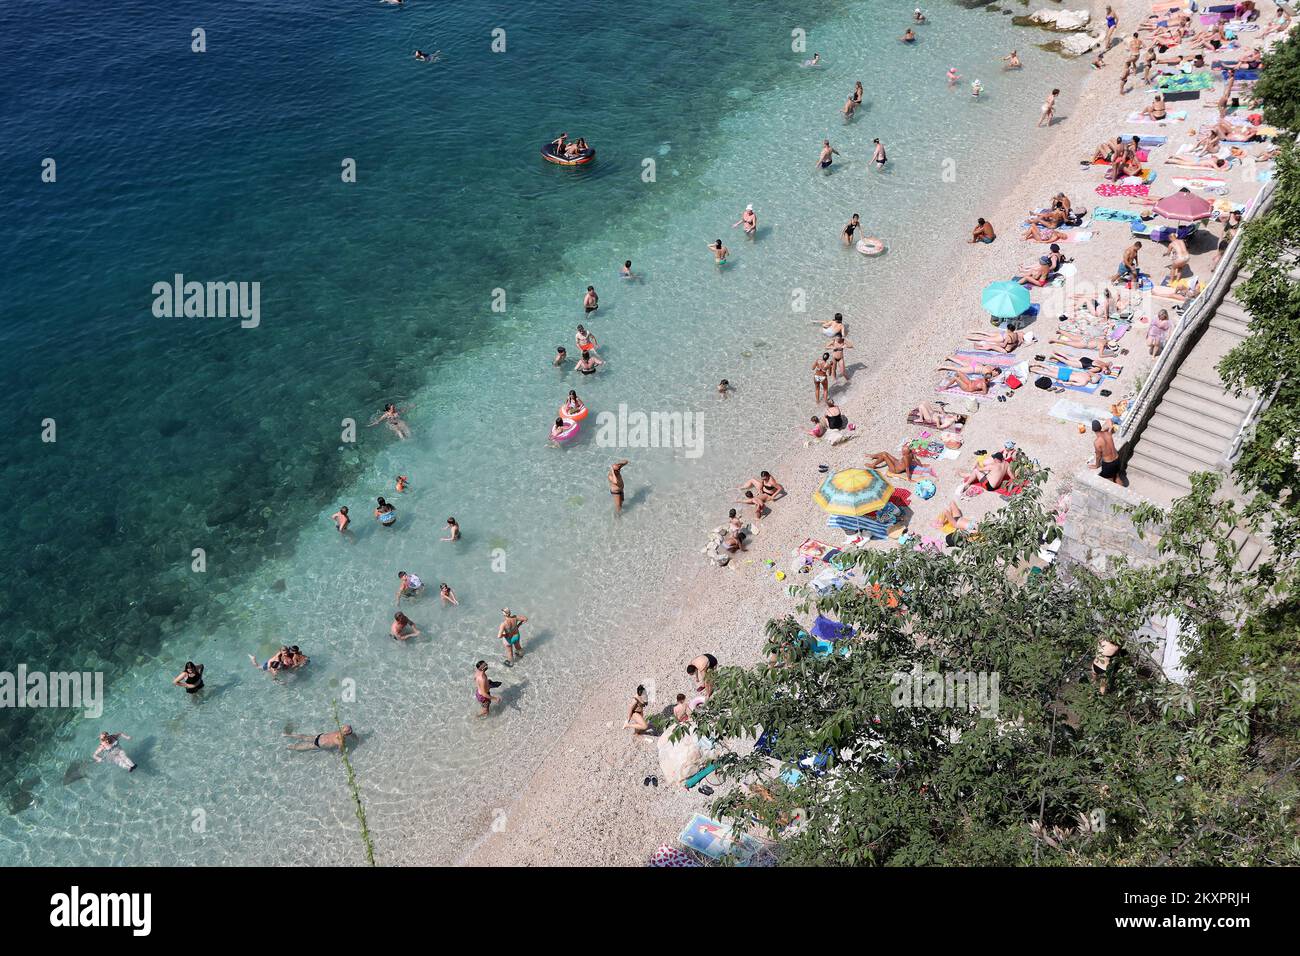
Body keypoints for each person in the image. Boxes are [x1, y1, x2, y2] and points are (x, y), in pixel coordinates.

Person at [1091, 419, 1123, 485]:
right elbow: (1109, 420)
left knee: (1109, 481)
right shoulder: (1108, 433)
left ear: (1093, 430)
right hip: (1117, 459)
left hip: (1109, 464)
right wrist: (1106, 427)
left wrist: (1096, 465)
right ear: (1100, 427)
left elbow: (1098, 456)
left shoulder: (1097, 442)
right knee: (1117, 477)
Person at [284, 726, 355, 751]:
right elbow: (341, 751)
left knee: (304, 737)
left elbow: (347, 731)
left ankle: (287, 735)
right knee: (308, 746)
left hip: (320, 736)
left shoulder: (339, 731)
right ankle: (291, 747)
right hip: (320, 744)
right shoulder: (340, 741)